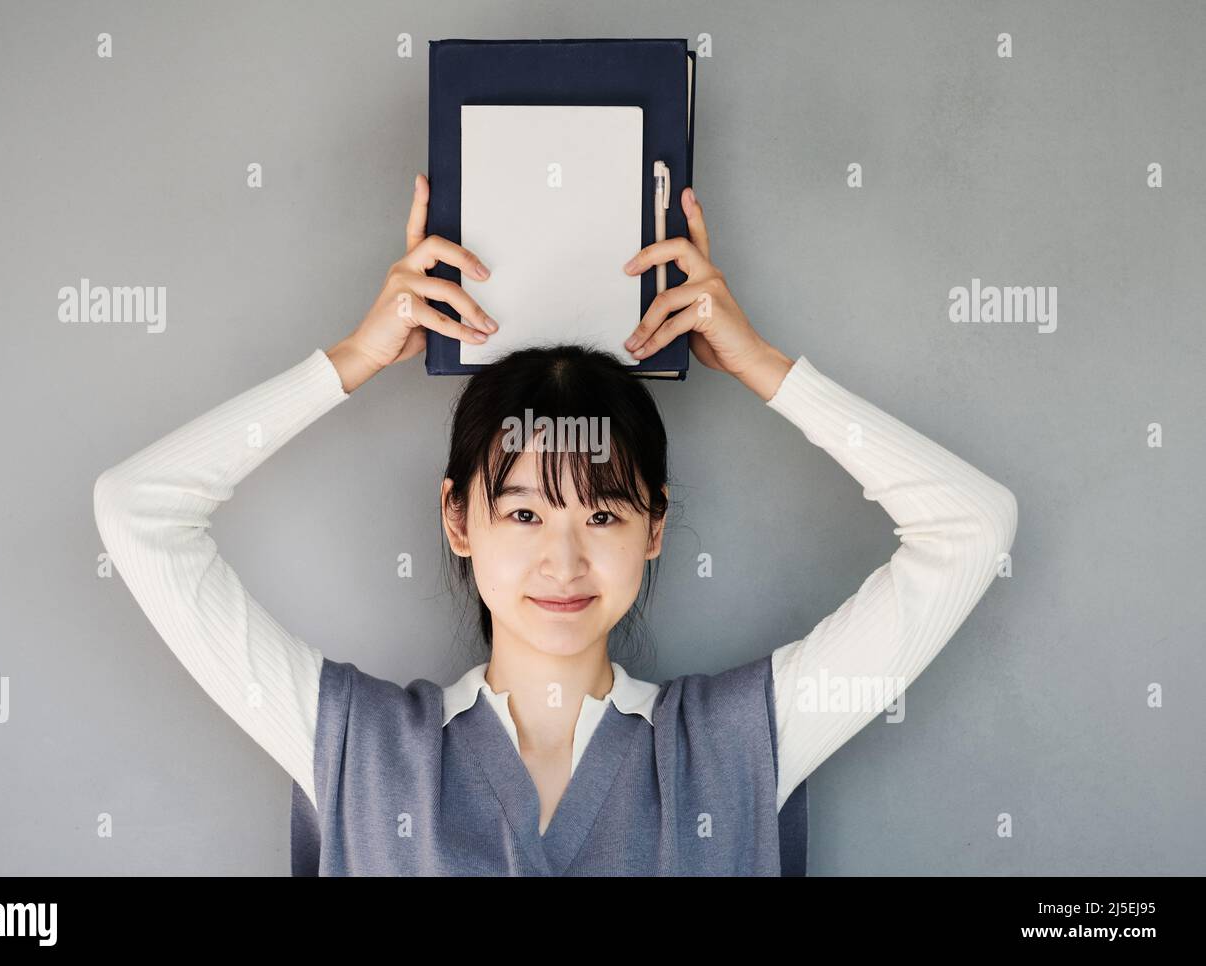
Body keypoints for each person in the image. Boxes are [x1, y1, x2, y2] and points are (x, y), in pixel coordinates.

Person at [93, 174, 1018, 875]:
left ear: (656, 528)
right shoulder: (354, 746)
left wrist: (762, 363)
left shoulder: (741, 744)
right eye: (524, 510)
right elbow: (138, 511)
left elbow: (972, 526)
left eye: (605, 511)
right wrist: (352, 357)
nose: (562, 559)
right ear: (457, 519)